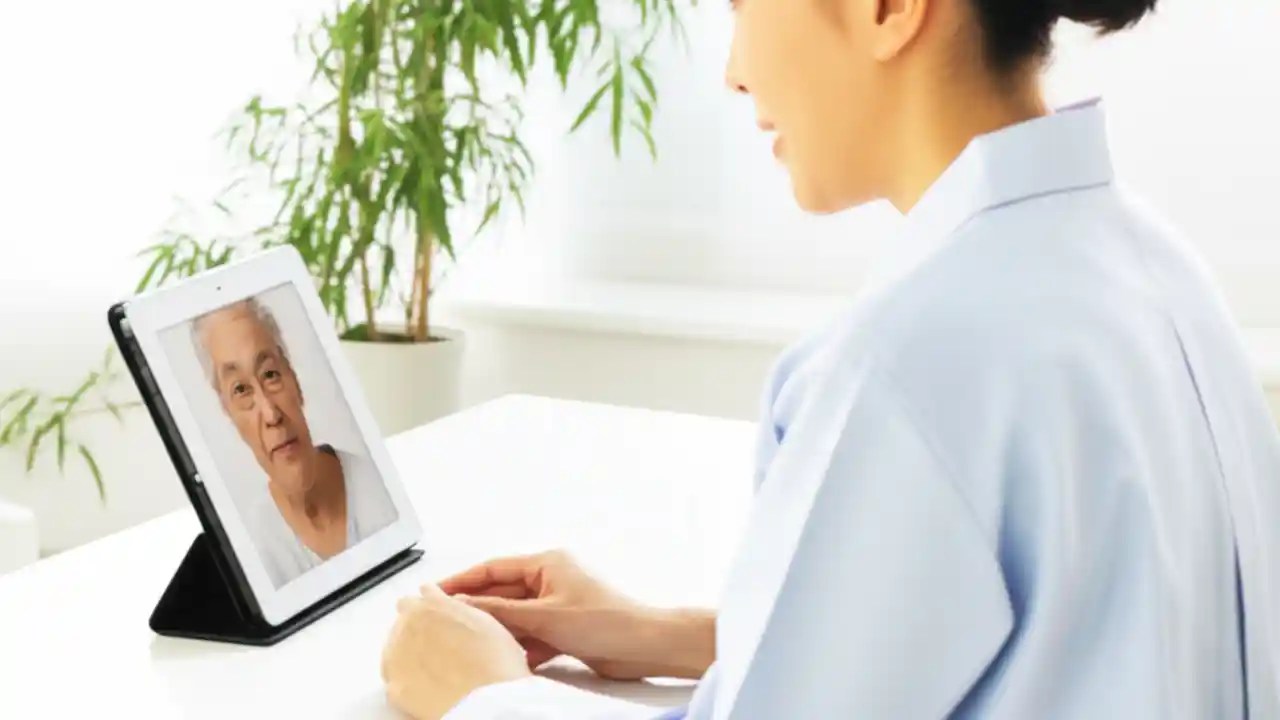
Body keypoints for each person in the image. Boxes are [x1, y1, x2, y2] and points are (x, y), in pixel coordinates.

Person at [380, 0, 1280, 716]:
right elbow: (1076, 652)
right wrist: (669, 633)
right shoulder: (1161, 271)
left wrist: (483, 695)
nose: (734, 72)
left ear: (889, 7)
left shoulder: (908, 363)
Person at [192, 297, 397, 588]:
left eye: (271, 375)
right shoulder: (254, 550)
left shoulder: (381, 487)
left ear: (295, 382)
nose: (271, 414)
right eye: (241, 390)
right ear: (229, 414)